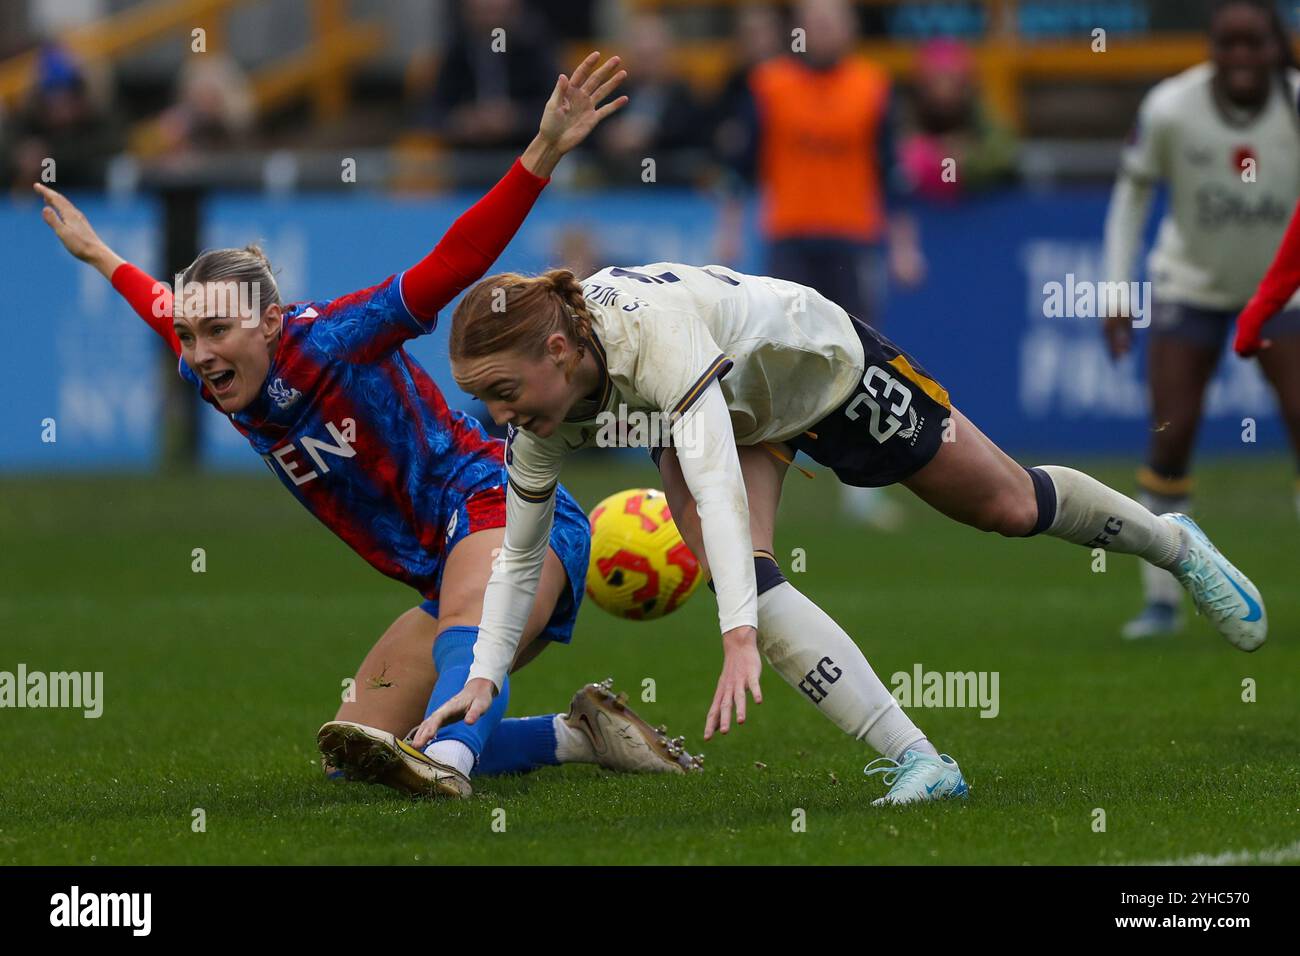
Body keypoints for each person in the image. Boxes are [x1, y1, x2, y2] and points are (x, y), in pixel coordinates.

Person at [36, 53, 699, 799]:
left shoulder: (336, 340)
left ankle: (453, 767)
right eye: (191, 338)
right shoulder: (213, 364)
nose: (199, 353)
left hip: (499, 509)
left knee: (467, 649)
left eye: (216, 332)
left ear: (271, 323)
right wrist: (99, 254)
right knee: (357, 754)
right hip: (441, 572)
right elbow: (162, 306)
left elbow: (454, 261)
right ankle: (577, 736)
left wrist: (542, 150)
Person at [415, 260, 1268, 806]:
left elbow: (715, 479)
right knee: (740, 563)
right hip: (720, 411)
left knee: (1011, 507)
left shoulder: (650, 338)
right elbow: (520, 556)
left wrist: (738, 633)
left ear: (560, 349)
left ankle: (1174, 545)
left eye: (501, 388)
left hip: (817, 367)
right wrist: (486, 677)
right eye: (479, 398)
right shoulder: (542, 421)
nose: (497, 414)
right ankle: (920, 760)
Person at [1101, 0, 1300, 639]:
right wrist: (1114, 290)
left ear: (1277, 47)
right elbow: (1132, 191)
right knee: (1171, 431)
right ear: (1211, 47)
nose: (1242, 57)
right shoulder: (1170, 109)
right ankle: (1162, 597)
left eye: (1255, 43)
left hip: (1282, 295)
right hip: (1190, 286)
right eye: (1229, 44)